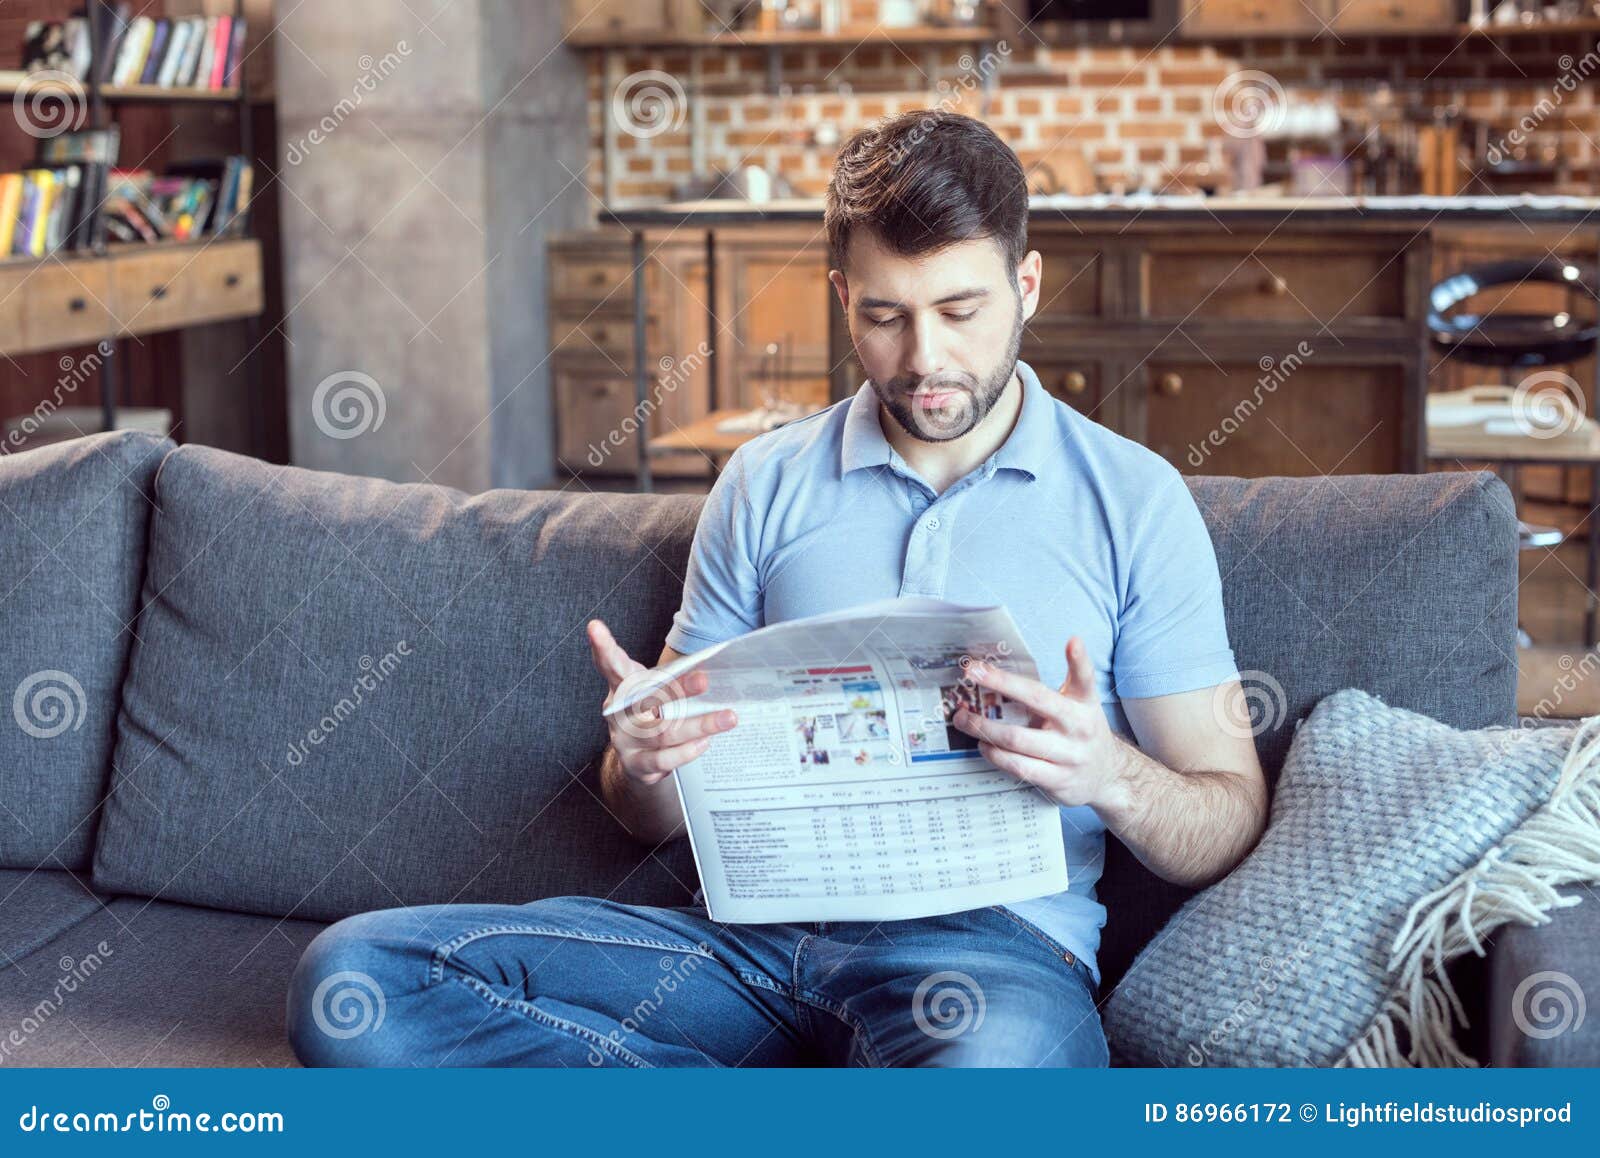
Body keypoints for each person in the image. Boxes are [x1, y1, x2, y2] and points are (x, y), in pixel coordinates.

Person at [286, 109, 1267, 1069]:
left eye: (960, 312)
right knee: (362, 977)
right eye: (885, 317)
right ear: (843, 298)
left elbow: (1226, 820)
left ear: (1027, 284)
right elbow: (644, 811)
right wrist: (645, 763)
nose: (924, 358)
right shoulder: (764, 483)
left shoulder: (1134, 501)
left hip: (989, 959)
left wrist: (1109, 776)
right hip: (749, 944)